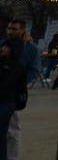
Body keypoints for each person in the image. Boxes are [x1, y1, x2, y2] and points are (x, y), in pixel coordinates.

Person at [3, 19, 39, 160]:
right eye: (9, 28)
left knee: (12, 130)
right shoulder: (3, 44)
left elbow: (34, 70)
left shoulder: (30, 48)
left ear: (22, 30)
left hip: (14, 94)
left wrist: (19, 82)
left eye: (14, 29)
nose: (10, 31)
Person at [0, 38, 26, 160]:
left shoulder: (17, 67)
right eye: (3, 46)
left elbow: (21, 87)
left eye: (6, 47)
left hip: (7, 103)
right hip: (7, 103)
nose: (3, 49)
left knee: (4, 134)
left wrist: (19, 103)